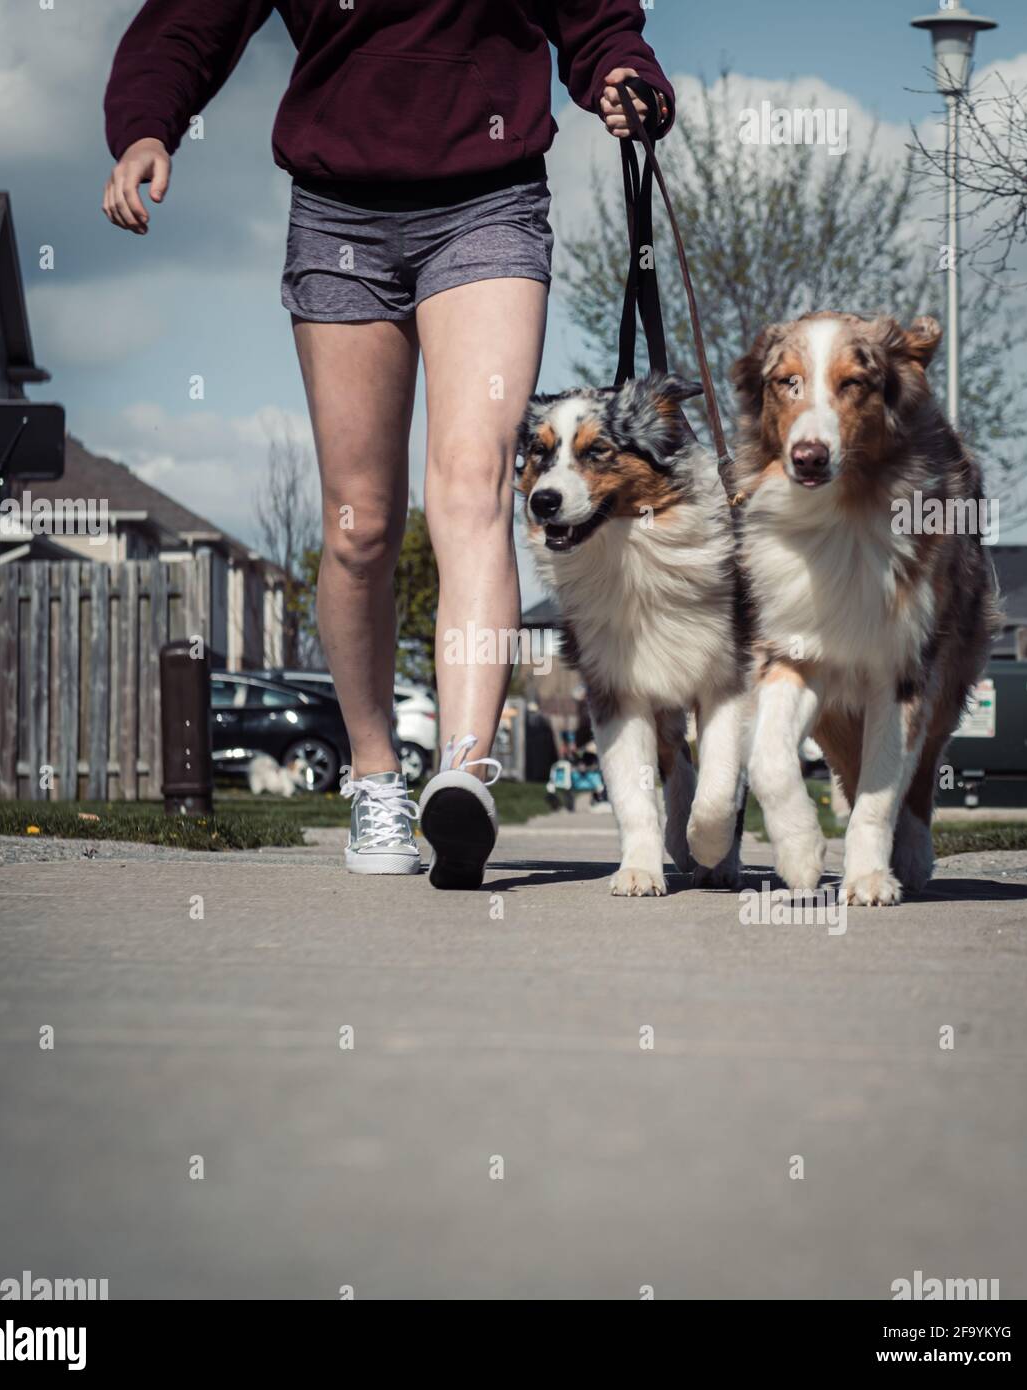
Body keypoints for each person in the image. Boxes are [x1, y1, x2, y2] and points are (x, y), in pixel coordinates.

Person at [102, 0, 675, 888]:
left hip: (489, 203)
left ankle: (464, 771)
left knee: (474, 485)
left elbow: (590, 12)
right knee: (359, 524)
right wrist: (146, 124)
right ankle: (375, 777)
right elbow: (192, 18)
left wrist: (618, 68)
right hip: (339, 217)